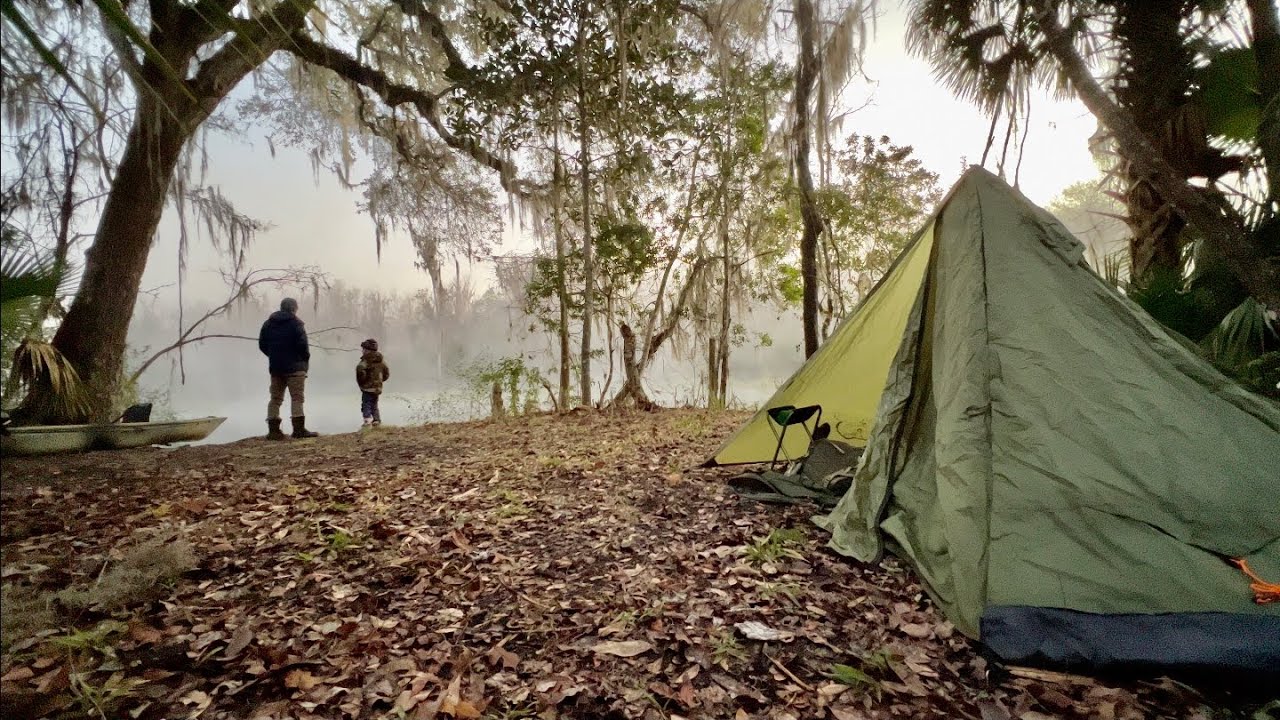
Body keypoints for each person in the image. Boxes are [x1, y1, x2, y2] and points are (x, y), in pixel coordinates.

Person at [258, 297, 318, 439]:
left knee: (275, 398)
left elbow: (262, 345)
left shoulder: (268, 324)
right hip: (296, 367)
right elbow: (303, 346)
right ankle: (298, 430)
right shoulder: (297, 323)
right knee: (297, 398)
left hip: (276, 367)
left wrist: (274, 356)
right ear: (293, 308)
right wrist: (303, 360)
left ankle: (273, 432)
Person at [355, 338, 390, 426]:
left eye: (363, 349)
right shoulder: (381, 361)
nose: (362, 351)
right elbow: (386, 373)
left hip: (367, 388)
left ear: (367, 350)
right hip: (377, 387)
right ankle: (376, 420)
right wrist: (380, 381)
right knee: (374, 404)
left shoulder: (365, 361)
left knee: (366, 404)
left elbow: (360, 371)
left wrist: (362, 383)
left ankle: (367, 420)